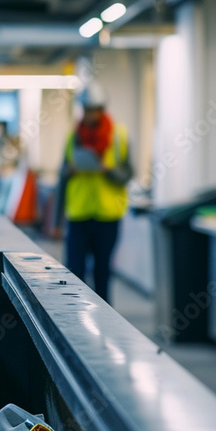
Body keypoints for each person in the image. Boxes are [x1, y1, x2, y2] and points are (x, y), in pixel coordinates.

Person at [61, 82, 132, 302]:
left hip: (107, 216)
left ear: (103, 109)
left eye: (95, 109)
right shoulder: (74, 137)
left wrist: (107, 170)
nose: (91, 114)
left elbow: (128, 173)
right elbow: (61, 176)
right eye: (87, 109)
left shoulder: (119, 135)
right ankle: (74, 323)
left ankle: (104, 326)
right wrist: (70, 170)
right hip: (79, 214)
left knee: (102, 274)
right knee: (75, 273)